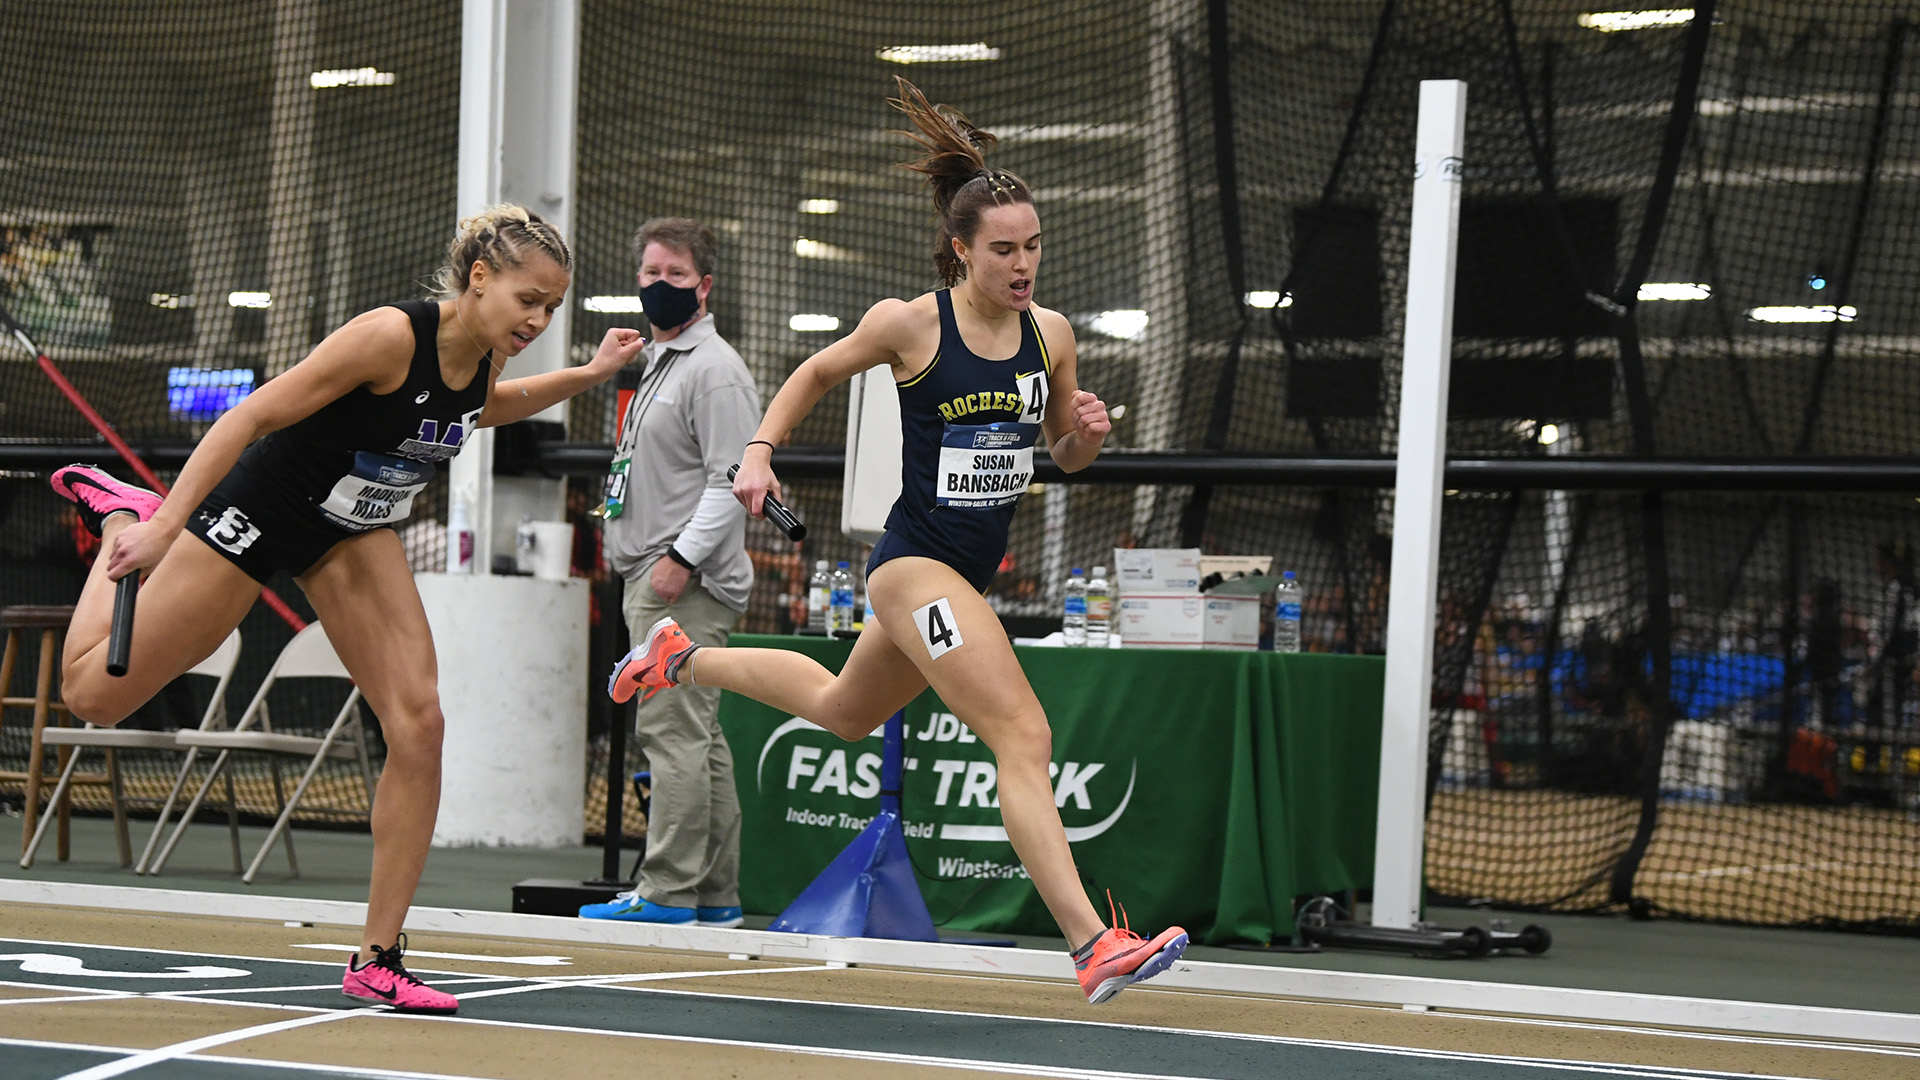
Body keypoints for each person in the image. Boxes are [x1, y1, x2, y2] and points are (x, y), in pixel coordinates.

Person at [608, 78, 1188, 1005]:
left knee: (844, 709)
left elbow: (1064, 459)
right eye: (1004, 249)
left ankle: (682, 658)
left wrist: (1086, 433)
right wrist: (758, 451)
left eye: (1034, 246)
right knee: (1023, 733)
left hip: (971, 573)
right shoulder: (910, 323)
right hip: (913, 569)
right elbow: (811, 373)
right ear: (961, 250)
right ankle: (1092, 943)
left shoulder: (1052, 335)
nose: (1024, 263)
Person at [48, 205, 646, 1015]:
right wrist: (157, 528)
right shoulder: (390, 337)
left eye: (552, 306)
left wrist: (587, 374)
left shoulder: (481, 360)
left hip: (355, 530)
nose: (538, 320)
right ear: (478, 278)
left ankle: (379, 956)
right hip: (263, 511)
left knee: (420, 722)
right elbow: (251, 414)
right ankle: (120, 508)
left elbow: (485, 409)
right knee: (95, 697)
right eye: (527, 300)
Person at [579, 218, 760, 928]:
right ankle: (713, 895)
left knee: (673, 733)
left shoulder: (715, 371)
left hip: (682, 582)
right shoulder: (662, 361)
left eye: (675, 275)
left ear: (705, 286)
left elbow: (734, 481)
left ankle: (665, 892)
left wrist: (678, 562)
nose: (659, 285)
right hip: (653, 569)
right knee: (699, 737)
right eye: (650, 273)